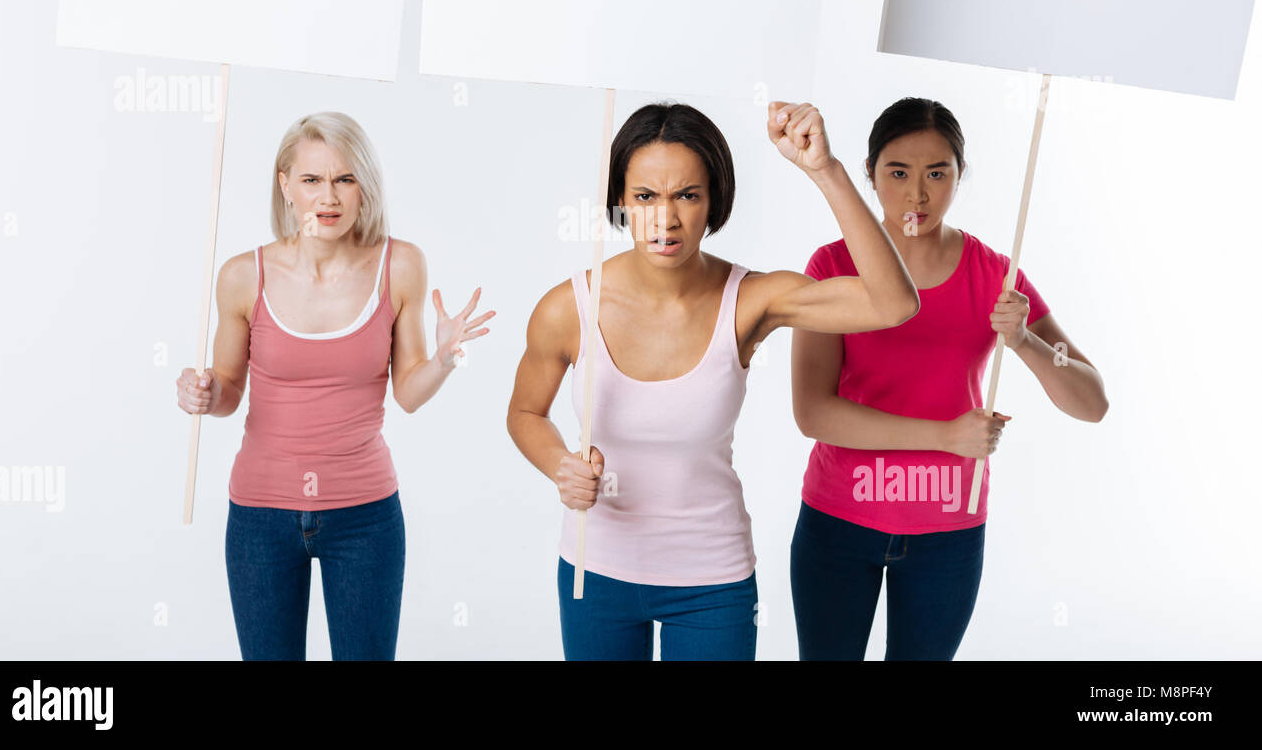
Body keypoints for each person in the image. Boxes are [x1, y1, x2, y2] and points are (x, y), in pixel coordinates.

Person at [506, 100, 920, 660]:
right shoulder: (567, 308)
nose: (666, 219)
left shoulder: (751, 300)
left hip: (712, 582)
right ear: (621, 201)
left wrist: (825, 170)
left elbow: (893, 303)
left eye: (688, 195)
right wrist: (560, 465)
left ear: (713, 201)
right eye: (646, 196)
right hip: (595, 571)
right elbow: (526, 413)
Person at [789, 96, 1109, 660]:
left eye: (938, 173)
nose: (917, 194)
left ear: (961, 176)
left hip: (948, 533)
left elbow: (1091, 402)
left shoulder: (993, 274)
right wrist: (944, 436)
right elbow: (813, 412)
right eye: (898, 173)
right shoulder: (833, 267)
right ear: (868, 173)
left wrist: (1027, 342)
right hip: (838, 521)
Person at [175, 111, 494, 660]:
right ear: (285, 185)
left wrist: (444, 357)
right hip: (260, 517)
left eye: (345, 179)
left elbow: (409, 394)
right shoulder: (241, 276)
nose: (329, 197)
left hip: (365, 517)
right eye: (312, 180)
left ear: (364, 186)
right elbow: (227, 391)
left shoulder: (401, 265)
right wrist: (201, 393)